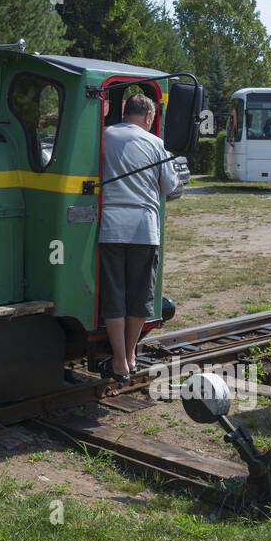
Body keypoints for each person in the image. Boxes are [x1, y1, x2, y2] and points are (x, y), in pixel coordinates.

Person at [97, 93, 182, 382]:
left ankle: (119, 361)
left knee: (114, 294)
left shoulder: (105, 136)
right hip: (144, 230)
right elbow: (170, 187)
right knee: (139, 295)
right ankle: (131, 357)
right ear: (150, 117)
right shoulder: (157, 144)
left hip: (110, 227)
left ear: (124, 112)